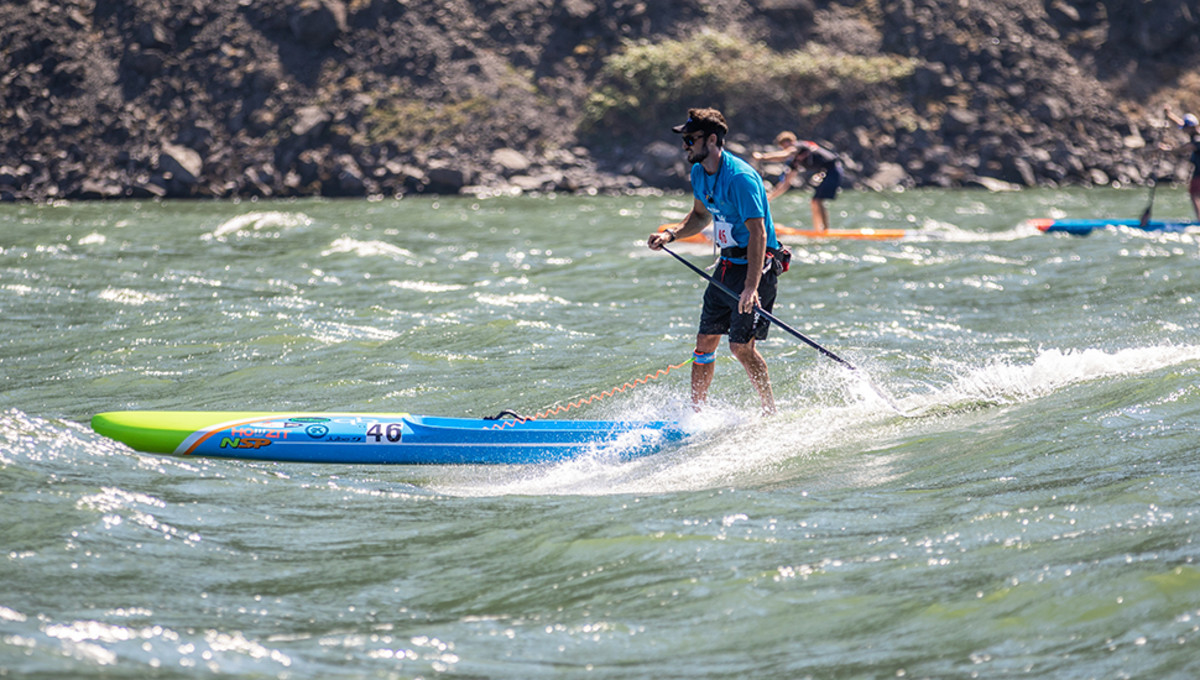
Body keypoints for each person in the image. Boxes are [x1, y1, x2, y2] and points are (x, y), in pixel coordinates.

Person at [647, 107, 783, 415]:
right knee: (705, 340)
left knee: (740, 347)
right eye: (683, 140)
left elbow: (758, 233)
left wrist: (751, 287)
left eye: (690, 139)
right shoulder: (698, 172)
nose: (685, 146)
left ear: (711, 140)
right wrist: (670, 235)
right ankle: (696, 413)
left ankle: (770, 410)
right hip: (726, 265)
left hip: (755, 266)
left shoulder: (741, 178)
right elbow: (699, 216)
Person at [752, 131, 843, 232]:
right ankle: (818, 230)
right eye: (783, 146)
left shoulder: (800, 146)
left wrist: (763, 157)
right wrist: (771, 197)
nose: (785, 148)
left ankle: (825, 230)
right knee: (814, 202)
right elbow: (786, 183)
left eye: (786, 144)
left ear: (792, 141)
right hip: (824, 173)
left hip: (833, 170)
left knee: (818, 200)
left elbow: (786, 154)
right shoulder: (794, 161)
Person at [1163, 107, 1200, 220]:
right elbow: (1181, 123)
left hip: (1199, 174)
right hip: (1198, 172)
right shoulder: (1195, 132)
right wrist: (1170, 115)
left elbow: (1185, 148)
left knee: (1194, 194)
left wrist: (1167, 150)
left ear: (1191, 128)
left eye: (1185, 129)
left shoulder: (1198, 139)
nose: (1183, 131)